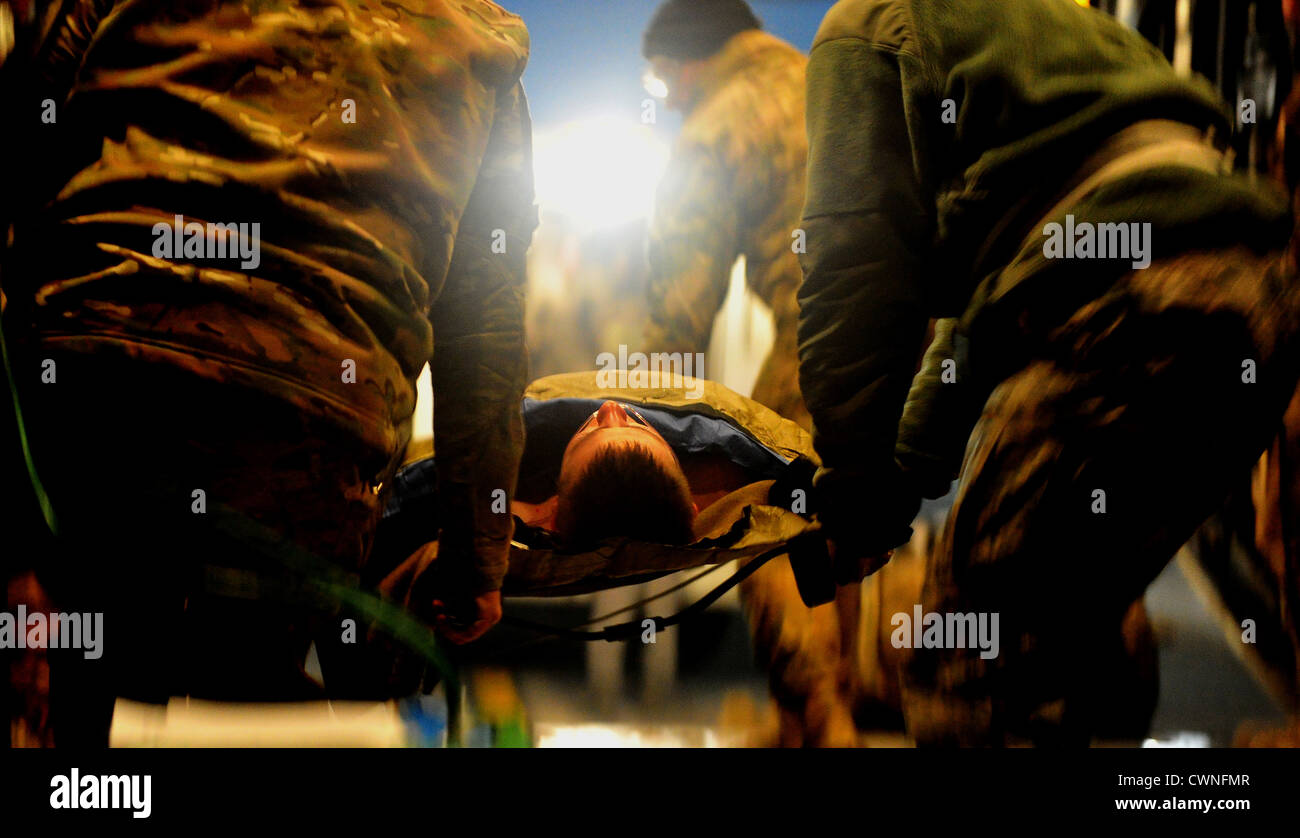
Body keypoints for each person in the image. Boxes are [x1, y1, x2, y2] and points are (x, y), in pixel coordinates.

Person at [0, 0, 536, 745]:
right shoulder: (477, 38)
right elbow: (486, 326)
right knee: (237, 689)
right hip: (312, 434)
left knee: (62, 685)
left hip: (95, 386)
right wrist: (477, 555)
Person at [797, 0, 1300, 745]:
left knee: (972, 663)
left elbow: (855, 266)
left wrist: (852, 491)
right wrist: (898, 476)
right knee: (1059, 637)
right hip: (1255, 291)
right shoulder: (1041, 23)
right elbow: (985, 316)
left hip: (1133, 300)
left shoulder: (866, 28)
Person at [641, 0, 812, 430]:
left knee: (767, 475)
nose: (671, 104)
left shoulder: (714, 126)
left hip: (825, 347)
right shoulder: (821, 79)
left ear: (687, 62)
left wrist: (642, 419)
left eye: (661, 79)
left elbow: (680, 312)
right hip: (930, 343)